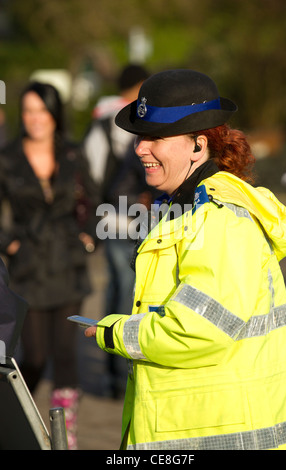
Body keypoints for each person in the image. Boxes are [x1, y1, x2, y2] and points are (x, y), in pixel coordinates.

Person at [85, 69, 286, 450]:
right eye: (139, 137)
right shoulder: (184, 207)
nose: (139, 149)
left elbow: (197, 329)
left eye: (155, 138)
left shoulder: (218, 218)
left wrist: (117, 332)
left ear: (199, 145)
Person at [0, 81, 98, 449]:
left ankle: (65, 433)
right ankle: (18, 415)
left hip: (68, 262)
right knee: (35, 355)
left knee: (66, 352)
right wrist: (7, 240)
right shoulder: (7, 156)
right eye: (28, 110)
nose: (35, 118)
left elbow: (94, 195)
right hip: (28, 267)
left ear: (55, 114)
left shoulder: (73, 153)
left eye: (42, 110)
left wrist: (90, 235)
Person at [84, 64, 150, 398]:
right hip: (119, 221)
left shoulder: (117, 118)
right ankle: (118, 370)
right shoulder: (111, 119)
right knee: (125, 291)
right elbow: (93, 174)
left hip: (133, 219)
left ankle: (120, 369)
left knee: (128, 290)